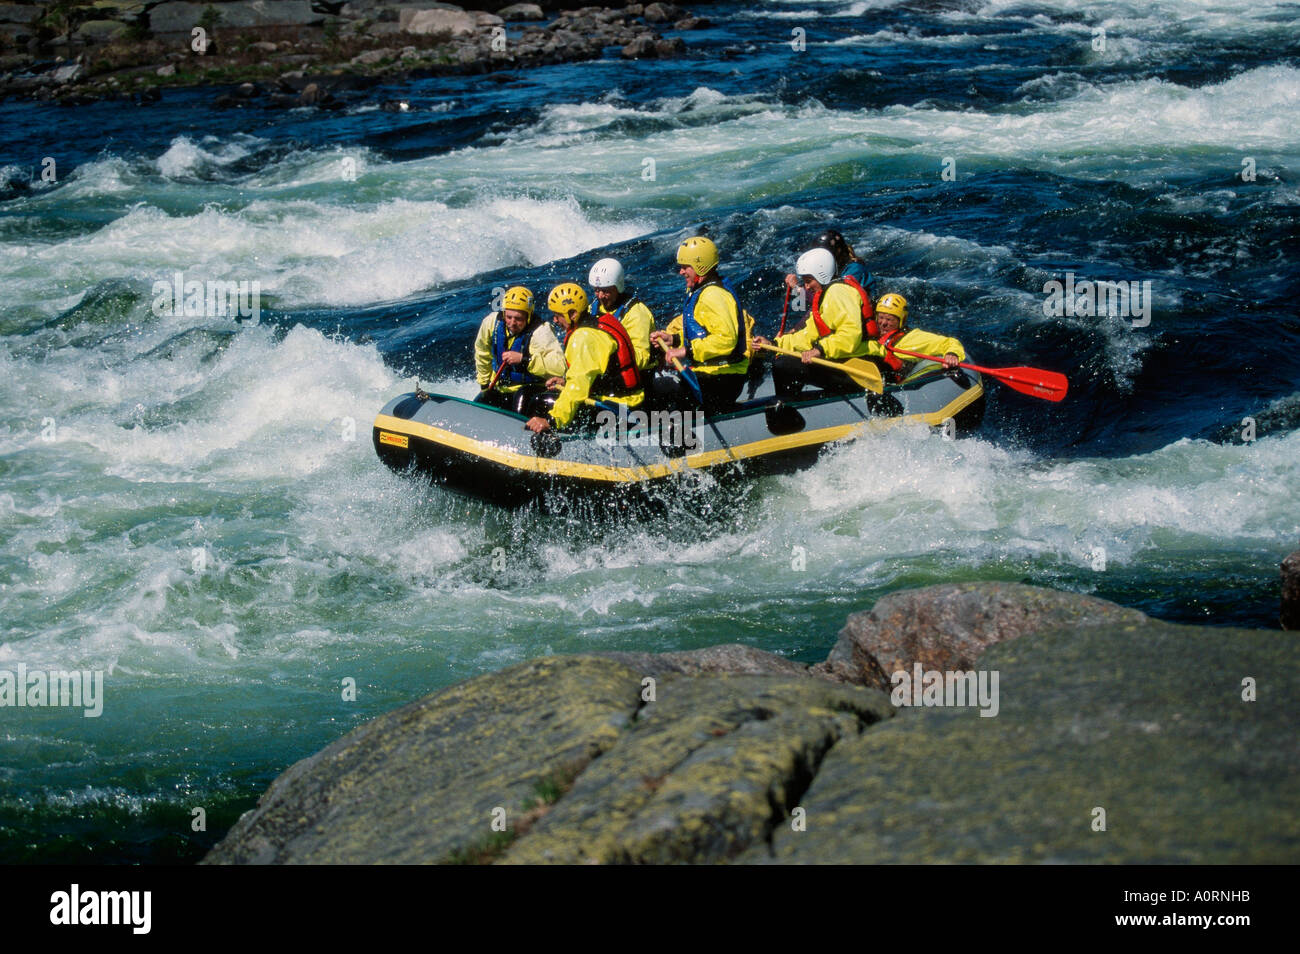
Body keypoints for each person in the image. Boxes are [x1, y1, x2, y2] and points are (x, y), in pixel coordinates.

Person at [649, 236, 751, 413]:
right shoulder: (703, 291)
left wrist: (686, 351)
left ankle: (679, 438)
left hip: (725, 379)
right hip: (714, 375)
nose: (681, 272)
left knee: (662, 390)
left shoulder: (713, 295)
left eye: (684, 267)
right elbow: (702, 334)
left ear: (700, 265)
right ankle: (675, 434)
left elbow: (726, 339)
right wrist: (673, 339)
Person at [525, 283, 645, 434]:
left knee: (540, 401)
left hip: (618, 410)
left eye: (558, 315)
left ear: (573, 314)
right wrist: (565, 382)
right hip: (624, 402)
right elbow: (592, 374)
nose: (554, 320)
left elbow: (578, 386)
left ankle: (544, 445)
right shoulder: (596, 322)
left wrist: (553, 420)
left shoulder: (584, 337)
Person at [752, 247, 869, 399]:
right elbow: (806, 336)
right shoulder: (825, 297)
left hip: (859, 367)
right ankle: (785, 412)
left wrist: (819, 349)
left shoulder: (839, 293)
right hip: (842, 362)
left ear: (822, 275)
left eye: (808, 281)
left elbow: (850, 336)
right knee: (783, 361)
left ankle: (785, 415)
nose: (806, 287)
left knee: (785, 365)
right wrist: (773, 344)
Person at [472, 285, 567, 414]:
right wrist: (484, 383)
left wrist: (525, 360)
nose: (512, 323)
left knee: (521, 397)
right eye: (509, 317)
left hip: (530, 389)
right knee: (480, 403)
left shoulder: (541, 331)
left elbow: (559, 367)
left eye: (518, 319)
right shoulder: (491, 322)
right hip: (501, 387)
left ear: (528, 317)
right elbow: (482, 352)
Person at [784, 228, 877, 336]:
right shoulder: (829, 271)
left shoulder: (854, 271)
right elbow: (810, 304)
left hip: (860, 324)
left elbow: (826, 301)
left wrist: (798, 288)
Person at [865, 293, 965, 383]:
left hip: (891, 382)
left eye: (889, 319)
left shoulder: (911, 339)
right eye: (881, 317)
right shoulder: (869, 332)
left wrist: (952, 354)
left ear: (901, 321)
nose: (883, 323)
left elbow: (949, 342)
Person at [588, 258, 656, 374]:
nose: (600, 296)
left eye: (605, 291)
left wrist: (608, 359)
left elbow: (642, 357)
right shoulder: (592, 308)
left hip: (636, 377)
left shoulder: (636, 313)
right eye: (596, 290)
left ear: (618, 287)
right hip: (605, 372)